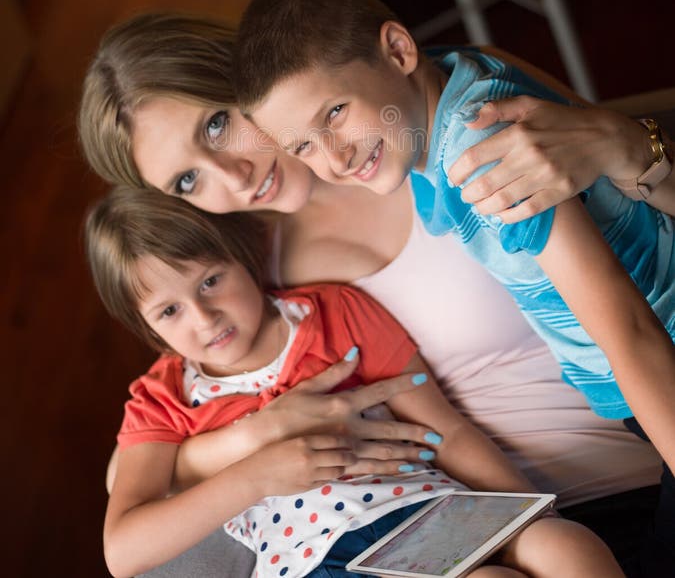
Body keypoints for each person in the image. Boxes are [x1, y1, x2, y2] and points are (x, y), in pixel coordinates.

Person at [78, 12, 661, 573]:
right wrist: (261, 433)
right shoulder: (243, 275)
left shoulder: (419, 107)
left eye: (217, 124)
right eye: (187, 179)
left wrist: (627, 144)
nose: (234, 177)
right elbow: (124, 471)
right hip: (472, 529)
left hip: (638, 469)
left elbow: (647, 204)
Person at [233, 0, 675, 571]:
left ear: (397, 50)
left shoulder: (478, 155)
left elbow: (628, 331)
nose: (332, 158)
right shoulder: (450, 82)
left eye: (335, 112)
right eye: (303, 145)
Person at [85, 186, 624, 578]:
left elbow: (448, 432)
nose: (205, 318)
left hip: (427, 515)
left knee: (564, 547)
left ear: (242, 259)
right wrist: (256, 476)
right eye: (169, 311)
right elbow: (124, 550)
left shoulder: (335, 313)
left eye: (211, 281)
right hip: (314, 564)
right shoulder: (161, 401)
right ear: (146, 329)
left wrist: (529, 508)